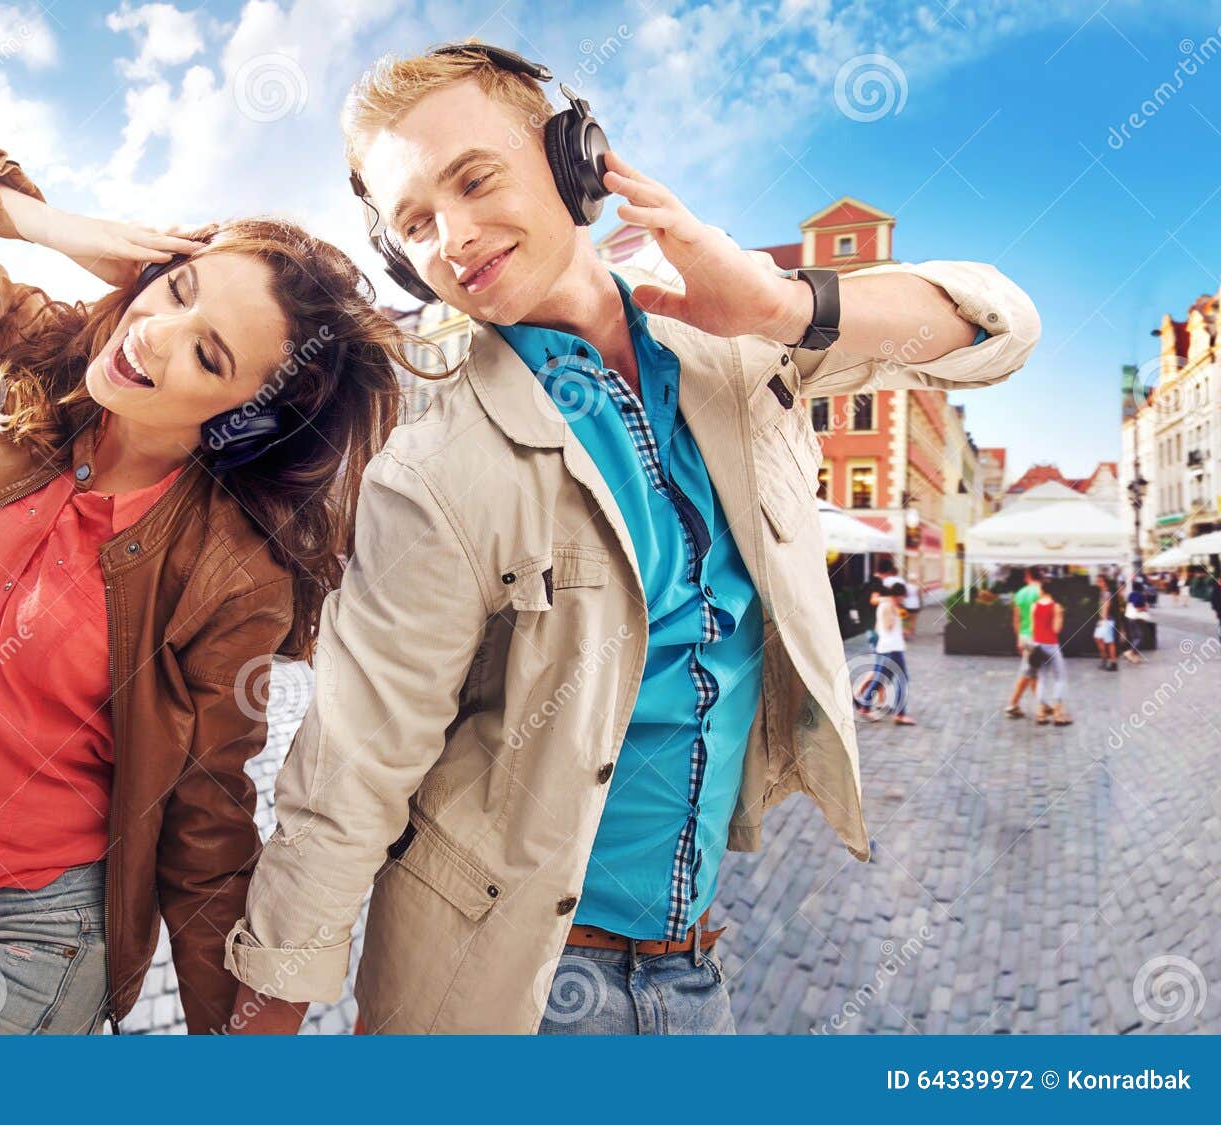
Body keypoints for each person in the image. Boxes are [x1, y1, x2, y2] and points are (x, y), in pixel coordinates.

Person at [224, 41, 1040, 1035]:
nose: (455, 236)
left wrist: (782, 303)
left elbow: (999, 330)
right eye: (416, 224)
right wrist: (262, 1026)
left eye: (475, 179)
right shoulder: (429, 467)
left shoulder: (735, 340)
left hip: (694, 969)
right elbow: (353, 762)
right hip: (511, 988)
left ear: (578, 161)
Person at [0, 131, 431, 1035]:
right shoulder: (39, 359)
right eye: (177, 289)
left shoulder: (233, 570)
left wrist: (236, 1034)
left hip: (41, 931)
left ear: (244, 417)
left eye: (210, 357)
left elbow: (208, 815)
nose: (153, 334)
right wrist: (64, 230)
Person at [859, 581, 914, 725]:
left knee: (880, 679)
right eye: (903, 596)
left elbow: (880, 628)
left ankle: (864, 707)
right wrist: (896, 611)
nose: (903, 599)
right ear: (899, 595)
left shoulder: (884, 604)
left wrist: (901, 631)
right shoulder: (890, 606)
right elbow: (888, 625)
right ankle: (900, 715)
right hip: (893, 648)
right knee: (903, 679)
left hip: (885, 646)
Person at [1004, 566, 1044, 718]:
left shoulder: (1020, 594)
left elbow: (1016, 619)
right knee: (1029, 671)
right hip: (1036, 636)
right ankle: (1013, 704)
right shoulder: (1040, 593)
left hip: (1025, 636)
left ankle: (1041, 704)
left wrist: (1019, 639)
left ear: (1028, 576)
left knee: (1032, 671)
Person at [1029, 580, 1071, 725]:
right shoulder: (1056, 607)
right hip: (1051, 644)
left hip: (1037, 644)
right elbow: (1056, 629)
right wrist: (1060, 616)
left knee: (1042, 677)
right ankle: (1058, 711)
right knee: (1060, 677)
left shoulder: (1033, 606)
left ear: (1043, 590)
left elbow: (1032, 627)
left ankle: (1041, 711)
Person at [1093, 573, 1122, 670]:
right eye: (1098, 581)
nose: (1098, 583)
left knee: (1109, 641)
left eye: (1099, 581)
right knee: (1098, 639)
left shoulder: (1107, 593)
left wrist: (1102, 620)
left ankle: (1113, 663)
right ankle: (1105, 659)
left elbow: (1106, 607)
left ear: (1105, 582)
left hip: (1106, 620)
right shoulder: (1103, 592)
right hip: (1105, 620)